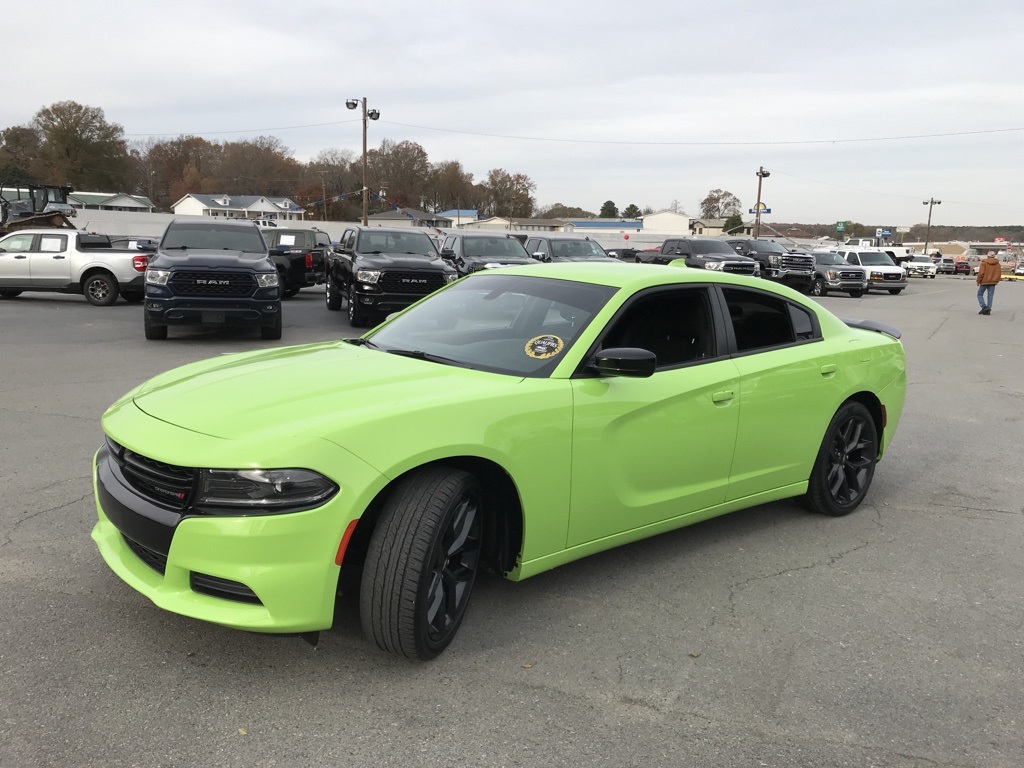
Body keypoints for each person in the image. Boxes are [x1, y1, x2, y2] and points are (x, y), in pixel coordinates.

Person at [976, 251, 1002, 315]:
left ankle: (984, 307)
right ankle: (988, 309)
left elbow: (981, 273)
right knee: (990, 296)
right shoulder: (998, 264)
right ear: (994, 256)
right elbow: (999, 274)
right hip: (993, 282)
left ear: (987, 256)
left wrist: (978, 281)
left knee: (979, 294)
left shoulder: (984, 263)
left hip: (984, 282)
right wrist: (996, 280)